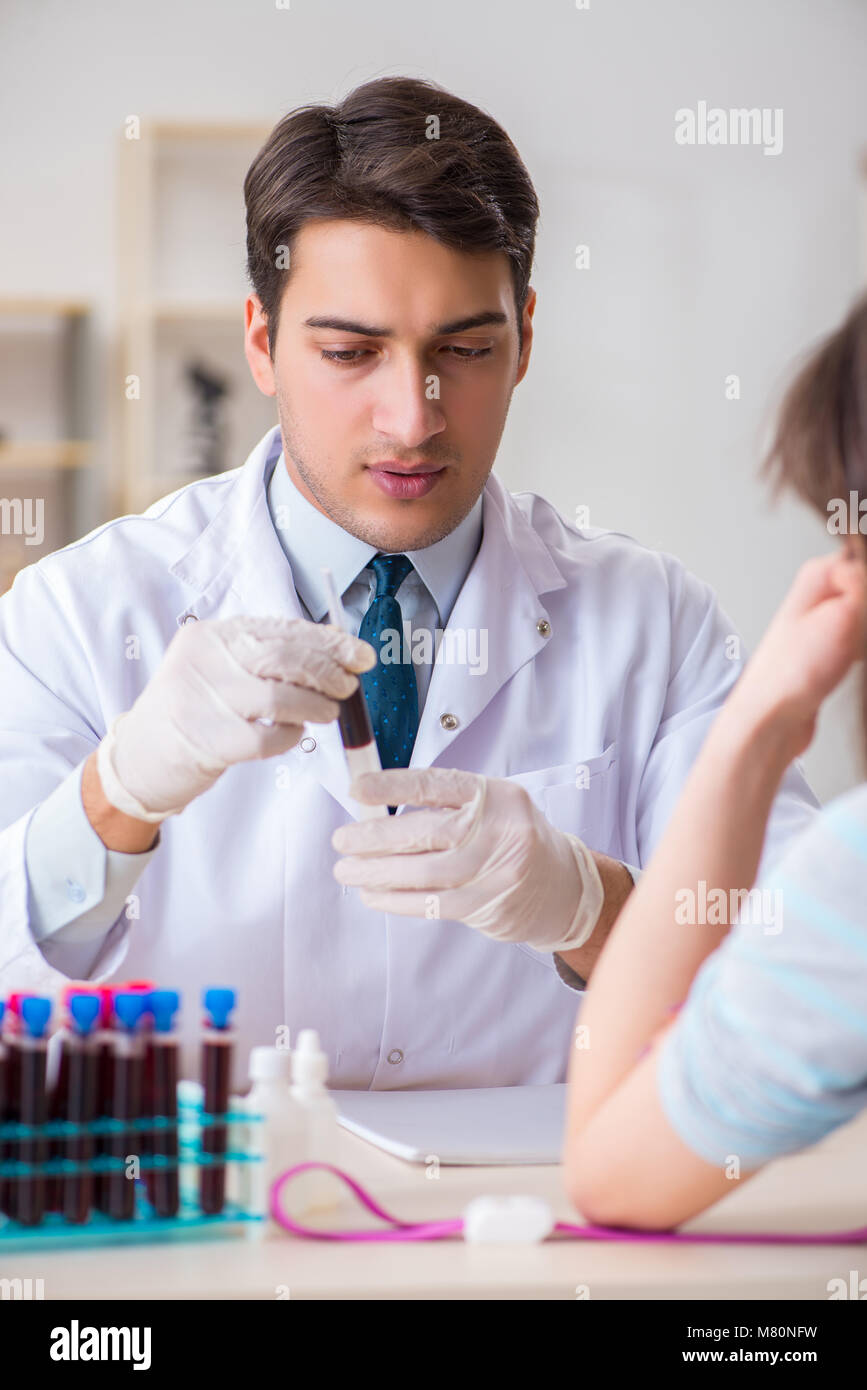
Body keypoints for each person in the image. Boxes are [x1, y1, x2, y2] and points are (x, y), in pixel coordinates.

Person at [0, 76, 816, 1084]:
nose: (413, 417)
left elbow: (804, 982)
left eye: (465, 349)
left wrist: (593, 905)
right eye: (351, 351)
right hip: (214, 1228)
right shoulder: (77, 614)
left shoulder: (658, 624)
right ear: (261, 342)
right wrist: (113, 799)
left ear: (525, 338)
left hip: (545, 1229)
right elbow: (13, 987)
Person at [560, 294, 867, 1230]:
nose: (414, 415)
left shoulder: (655, 605)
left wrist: (752, 733)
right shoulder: (108, 591)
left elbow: (608, 1176)